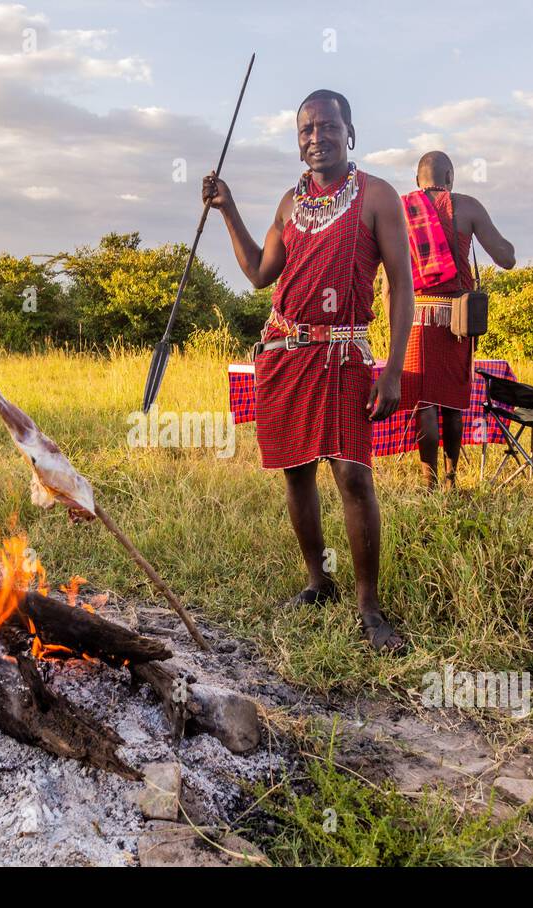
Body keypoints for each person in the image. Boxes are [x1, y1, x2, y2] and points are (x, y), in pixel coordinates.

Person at [202, 89, 415, 651]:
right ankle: (319, 581)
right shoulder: (288, 204)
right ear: (298, 144)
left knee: (352, 475)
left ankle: (368, 606)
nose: (316, 137)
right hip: (284, 350)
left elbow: (401, 287)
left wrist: (392, 370)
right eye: (305, 131)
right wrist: (228, 210)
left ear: (349, 131)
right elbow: (257, 273)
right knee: (297, 472)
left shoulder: (378, 197)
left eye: (326, 127)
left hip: (344, 353)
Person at [401, 151, 515, 490]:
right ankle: (451, 479)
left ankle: (428, 480)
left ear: (416, 179)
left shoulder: (401, 208)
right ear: (450, 178)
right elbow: (506, 258)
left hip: (417, 314)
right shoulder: (468, 206)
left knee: (424, 400)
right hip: (458, 318)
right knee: (452, 399)